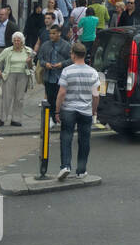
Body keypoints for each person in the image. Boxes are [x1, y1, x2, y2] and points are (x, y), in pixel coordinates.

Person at [56, 42, 101, 179]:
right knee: (84, 140)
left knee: (66, 137)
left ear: (73, 55)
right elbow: (96, 95)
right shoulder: (93, 72)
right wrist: (94, 110)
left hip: (69, 110)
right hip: (85, 111)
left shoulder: (67, 71)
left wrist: (57, 111)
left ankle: (65, 166)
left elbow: (62, 93)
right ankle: (81, 170)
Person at [0, 31, 34, 127]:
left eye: (18, 40)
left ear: (22, 41)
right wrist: (0, 73)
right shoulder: (7, 50)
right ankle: (2, 119)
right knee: (7, 97)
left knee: (19, 98)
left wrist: (29, 62)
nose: (16, 42)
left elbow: (31, 67)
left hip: (23, 75)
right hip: (9, 75)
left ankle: (16, 119)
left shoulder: (28, 51)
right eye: (14, 40)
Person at [37, 24, 70, 128]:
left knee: (61, 99)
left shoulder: (66, 45)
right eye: (50, 33)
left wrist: (62, 64)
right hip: (49, 76)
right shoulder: (45, 45)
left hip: (61, 77)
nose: (51, 35)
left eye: (54, 33)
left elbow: (71, 59)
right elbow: (40, 59)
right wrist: (45, 64)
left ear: (59, 33)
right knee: (50, 99)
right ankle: (52, 118)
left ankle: (61, 117)